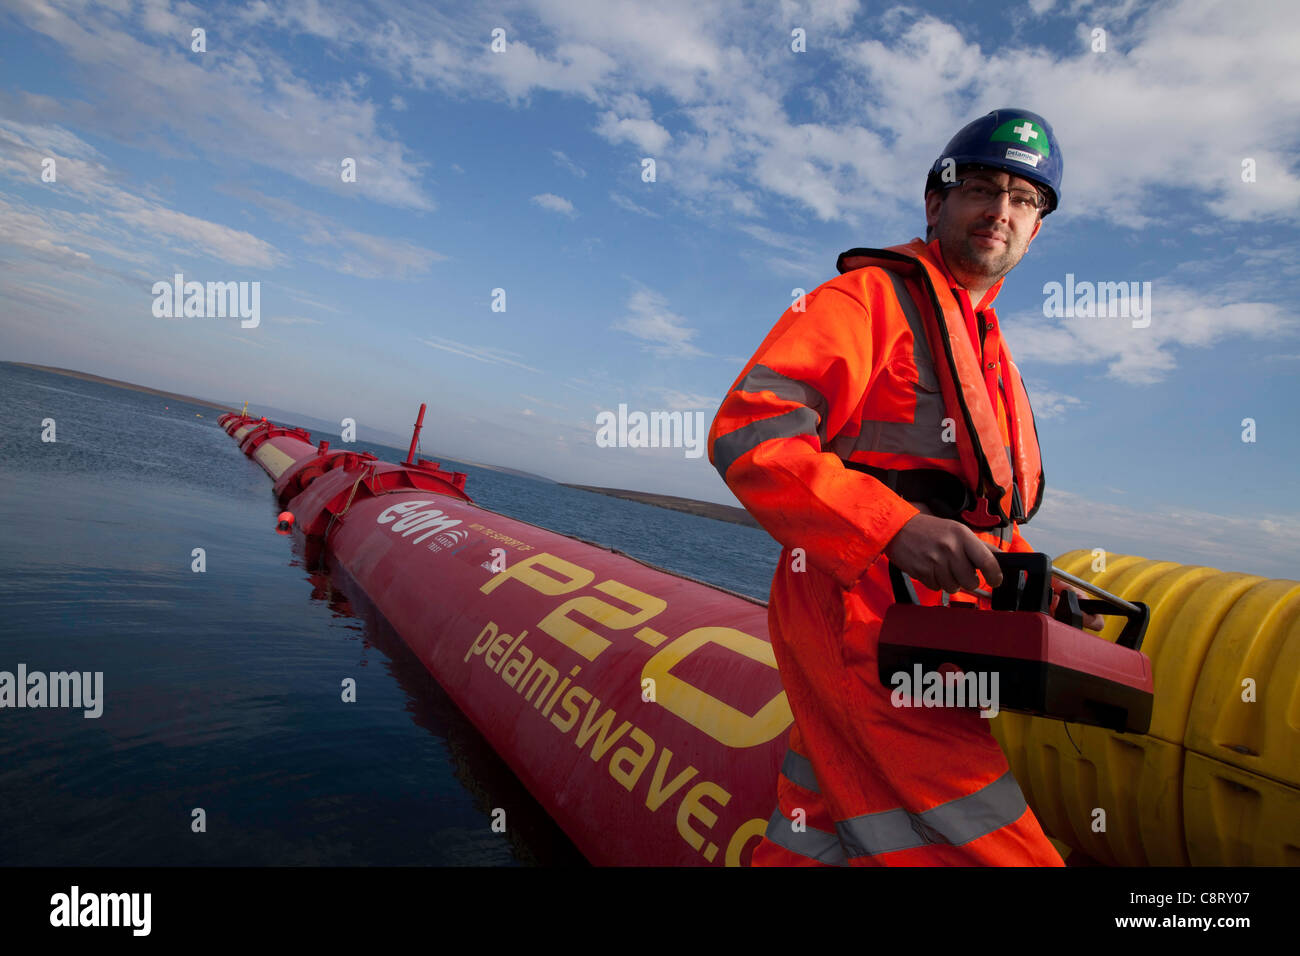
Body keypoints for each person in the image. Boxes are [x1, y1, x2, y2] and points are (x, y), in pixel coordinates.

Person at [709, 108, 1096, 866]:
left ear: (1038, 230)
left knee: (825, 813)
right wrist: (888, 529)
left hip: (935, 627)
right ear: (935, 205)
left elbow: (969, 509)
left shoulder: (985, 347)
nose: (1002, 212)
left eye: (1024, 201)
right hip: (862, 618)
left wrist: (1039, 590)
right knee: (982, 842)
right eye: (982, 189)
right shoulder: (864, 303)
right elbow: (750, 434)